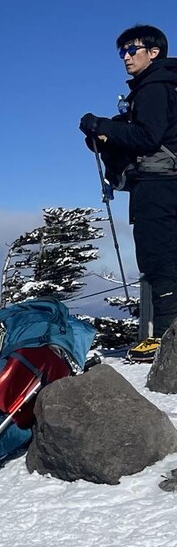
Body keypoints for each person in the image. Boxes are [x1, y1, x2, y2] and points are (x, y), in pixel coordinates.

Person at [80, 24, 177, 361]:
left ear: (154, 52)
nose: (125, 56)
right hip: (165, 183)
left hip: (158, 186)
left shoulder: (154, 87)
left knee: (159, 258)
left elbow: (148, 137)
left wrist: (103, 128)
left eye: (132, 49)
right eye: (121, 50)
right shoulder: (163, 85)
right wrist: (109, 132)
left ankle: (167, 341)